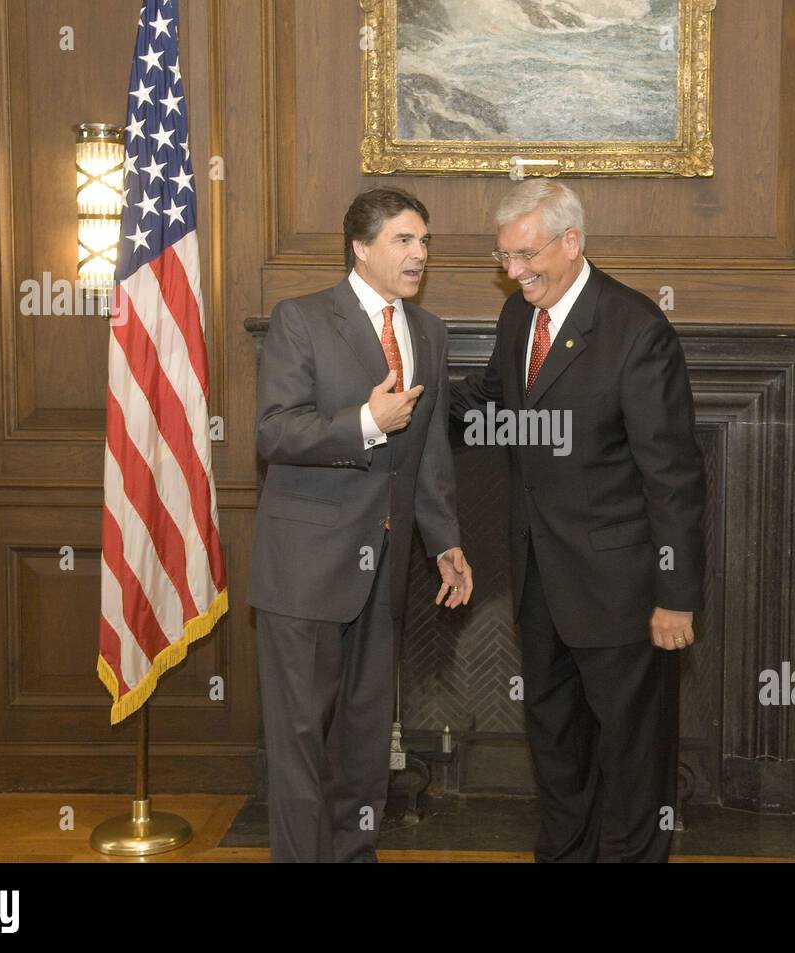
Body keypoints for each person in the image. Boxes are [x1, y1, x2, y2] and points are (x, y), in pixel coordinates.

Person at [451, 180, 705, 863]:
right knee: (556, 744)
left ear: (572, 241)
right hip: (539, 584)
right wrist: (399, 400)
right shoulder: (517, 320)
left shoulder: (636, 330)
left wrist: (675, 596)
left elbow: (673, 478)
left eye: (526, 254)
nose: (513, 271)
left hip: (622, 592)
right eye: (504, 256)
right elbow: (485, 404)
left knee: (633, 755)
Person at [249, 187, 473, 862]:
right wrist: (366, 423)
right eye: (405, 240)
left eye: (425, 242)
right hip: (303, 571)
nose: (419, 254)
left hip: (384, 569)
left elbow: (428, 449)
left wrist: (447, 541)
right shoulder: (301, 319)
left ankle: (355, 854)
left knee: (367, 735)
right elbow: (273, 432)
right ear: (361, 246)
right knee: (299, 743)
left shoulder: (427, 332)